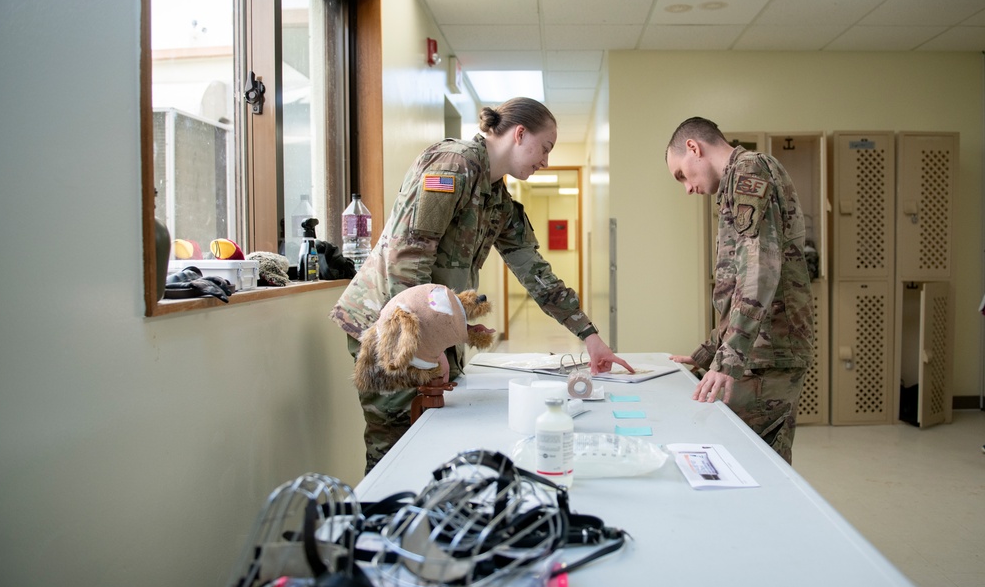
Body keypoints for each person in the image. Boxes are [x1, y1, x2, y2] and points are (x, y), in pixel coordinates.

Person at [331, 97, 633, 472]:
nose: (545, 161)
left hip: (430, 330)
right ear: (519, 134)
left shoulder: (497, 200)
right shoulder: (452, 166)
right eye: (545, 147)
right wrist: (424, 345)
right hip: (392, 326)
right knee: (395, 447)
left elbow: (536, 272)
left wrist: (589, 335)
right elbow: (407, 260)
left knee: (435, 437)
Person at [664, 117, 814, 464]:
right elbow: (737, 283)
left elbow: (760, 270)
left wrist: (728, 359)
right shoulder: (737, 179)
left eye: (681, 175)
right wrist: (707, 353)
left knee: (749, 464)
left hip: (766, 352)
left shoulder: (749, 171)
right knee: (752, 461)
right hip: (758, 350)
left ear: (693, 148)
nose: (687, 188)